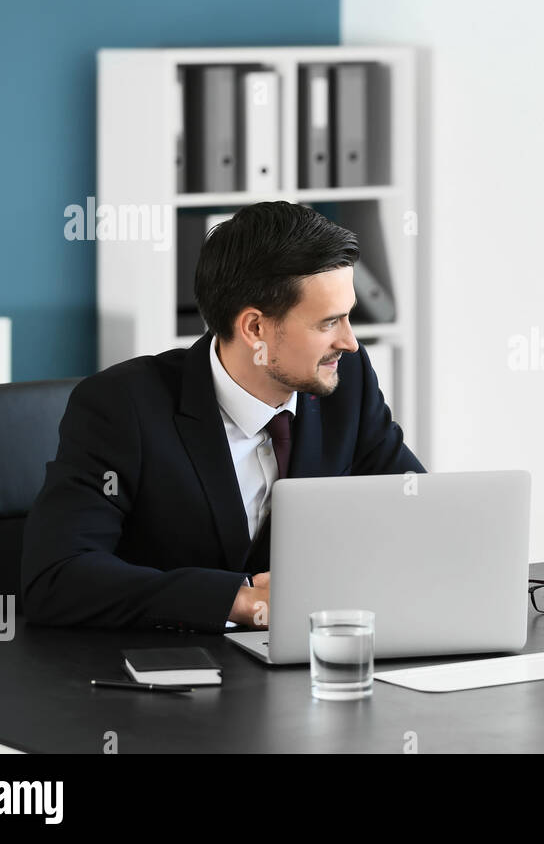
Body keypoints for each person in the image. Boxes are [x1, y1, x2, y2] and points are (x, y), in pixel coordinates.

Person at [21, 202, 423, 632]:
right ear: (255, 329)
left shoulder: (346, 383)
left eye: (349, 316)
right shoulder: (121, 406)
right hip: (164, 675)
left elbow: (417, 513)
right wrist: (238, 600)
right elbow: (57, 578)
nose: (350, 343)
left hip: (304, 664)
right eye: (329, 323)